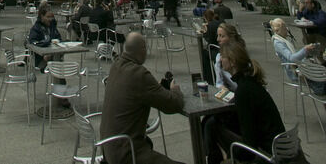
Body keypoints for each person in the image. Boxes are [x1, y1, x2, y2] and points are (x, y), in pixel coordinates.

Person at [100, 32, 185, 164]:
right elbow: (174, 104)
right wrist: (175, 90)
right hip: (127, 153)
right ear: (143, 50)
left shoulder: (115, 66)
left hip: (109, 147)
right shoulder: (139, 74)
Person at [205, 41, 286, 164]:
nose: (220, 59)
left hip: (266, 154)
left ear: (232, 62)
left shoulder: (243, 91)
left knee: (212, 125)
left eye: (223, 56)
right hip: (279, 148)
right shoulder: (251, 83)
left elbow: (250, 142)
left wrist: (232, 155)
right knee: (212, 123)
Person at [270, 18, 325, 94]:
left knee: (321, 73)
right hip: (293, 71)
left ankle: (321, 89)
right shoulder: (278, 43)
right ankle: (320, 90)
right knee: (320, 77)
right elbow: (292, 58)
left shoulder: (283, 39)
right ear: (278, 30)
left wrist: (308, 52)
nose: (287, 29)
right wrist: (305, 50)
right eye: (284, 28)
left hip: (299, 66)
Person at [28, 5, 63, 71]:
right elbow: (32, 42)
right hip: (41, 60)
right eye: (48, 17)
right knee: (58, 68)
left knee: (60, 68)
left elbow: (59, 37)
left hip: (54, 55)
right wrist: (47, 43)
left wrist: (58, 41)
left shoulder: (53, 27)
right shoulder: (36, 28)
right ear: (42, 16)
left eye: (52, 17)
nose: (50, 19)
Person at [201, 10, 220, 84]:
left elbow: (210, 40)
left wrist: (205, 32)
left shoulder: (210, 25)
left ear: (205, 18)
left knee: (204, 53)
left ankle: (209, 78)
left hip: (216, 49)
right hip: (226, 47)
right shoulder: (220, 21)